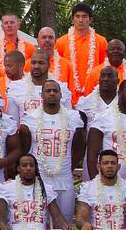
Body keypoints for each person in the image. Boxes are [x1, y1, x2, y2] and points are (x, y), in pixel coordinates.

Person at [22, 79, 84, 220]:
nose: (52, 93)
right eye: (48, 91)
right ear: (41, 94)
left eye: (55, 91)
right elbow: (25, 151)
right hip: (40, 178)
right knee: (39, 222)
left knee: (65, 222)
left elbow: (79, 147)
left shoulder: (73, 118)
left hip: (64, 178)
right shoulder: (30, 120)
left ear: (61, 95)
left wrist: (68, 167)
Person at [54, 2, 108, 103]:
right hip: (68, 96)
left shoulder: (101, 41)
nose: (81, 20)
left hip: (93, 95)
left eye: (84, 16)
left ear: (90, 19)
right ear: (72, 19)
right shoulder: (61, 42)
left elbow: (103, 68)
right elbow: (58, 69)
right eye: (77, 16)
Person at [85, 39, 126, 103]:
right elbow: (88, 98)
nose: (115, 51)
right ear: (106, 52)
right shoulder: (95, 72)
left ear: (124, 52)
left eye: (119, 49)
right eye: (112, 49)